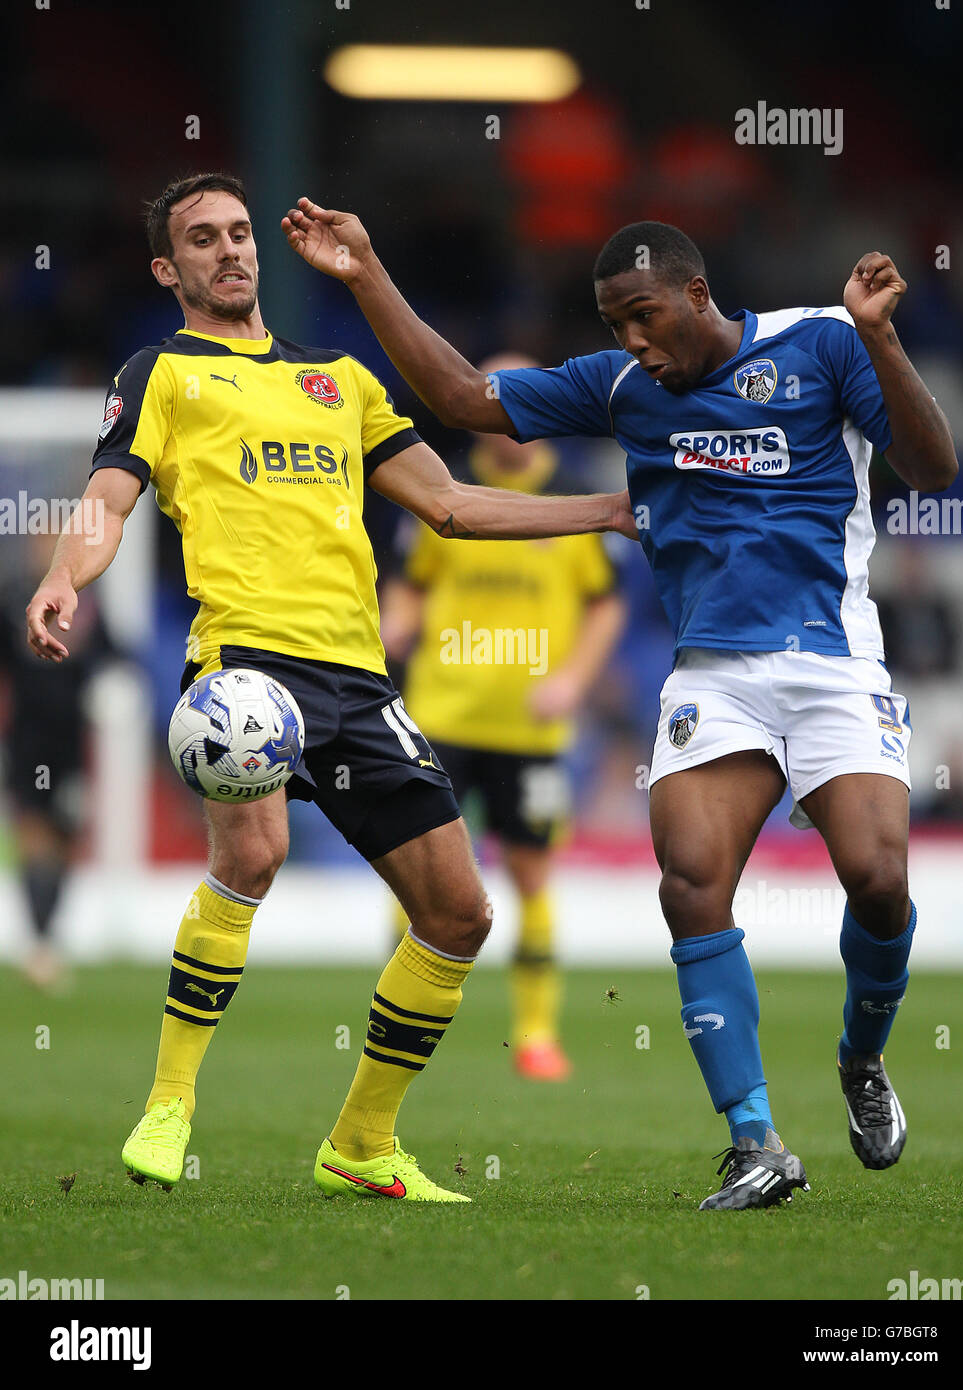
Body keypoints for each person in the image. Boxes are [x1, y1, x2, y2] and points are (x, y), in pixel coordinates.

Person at [282, 199, 958, 1209]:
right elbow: (464, 398)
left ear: (697, 293)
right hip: (712, 676)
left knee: (876, 877)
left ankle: (860, 1058)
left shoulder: (823, 341)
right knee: (690, 883)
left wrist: (882, 339)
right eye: (613, 326)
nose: (633, 342)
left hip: (831, 661)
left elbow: (931, 467)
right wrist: (364, 271)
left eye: (644, 315)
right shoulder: (620, 387)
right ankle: (755, 1141)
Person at [25, 172, 634, 1203]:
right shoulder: (162, 370)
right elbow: (108, 498)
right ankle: (169, 1105)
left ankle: (360, 1140)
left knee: (458, 913)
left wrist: (608, 509)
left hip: (357, 677)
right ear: (170, 270)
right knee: (252, 856)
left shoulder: (340, 377)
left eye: (239, 232)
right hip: (246, 668)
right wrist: (59, 574)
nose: (230, 250)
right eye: (203, 240)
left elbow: (448, 501)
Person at [380, 360, 625, 1079]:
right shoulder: (442, 487)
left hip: (529, 728)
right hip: (441, 713)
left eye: (516, 400)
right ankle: (406, 1021)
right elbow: (413, 585)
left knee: (530, 873)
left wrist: (574, 681)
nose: (504, 413)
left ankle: (538, 1035)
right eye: (490, 398)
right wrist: (397, 621)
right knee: (417, 874)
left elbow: (606, 603)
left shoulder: (572, 496)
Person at [1, 534, 113, 990]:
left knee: (66, 837)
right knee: (34, 829)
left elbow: (113, 654)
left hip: (72, 741)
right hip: (27, 738)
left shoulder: (87, 607)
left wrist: (117, 684)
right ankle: (39, 943)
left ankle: (48, 938)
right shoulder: (13, 601)